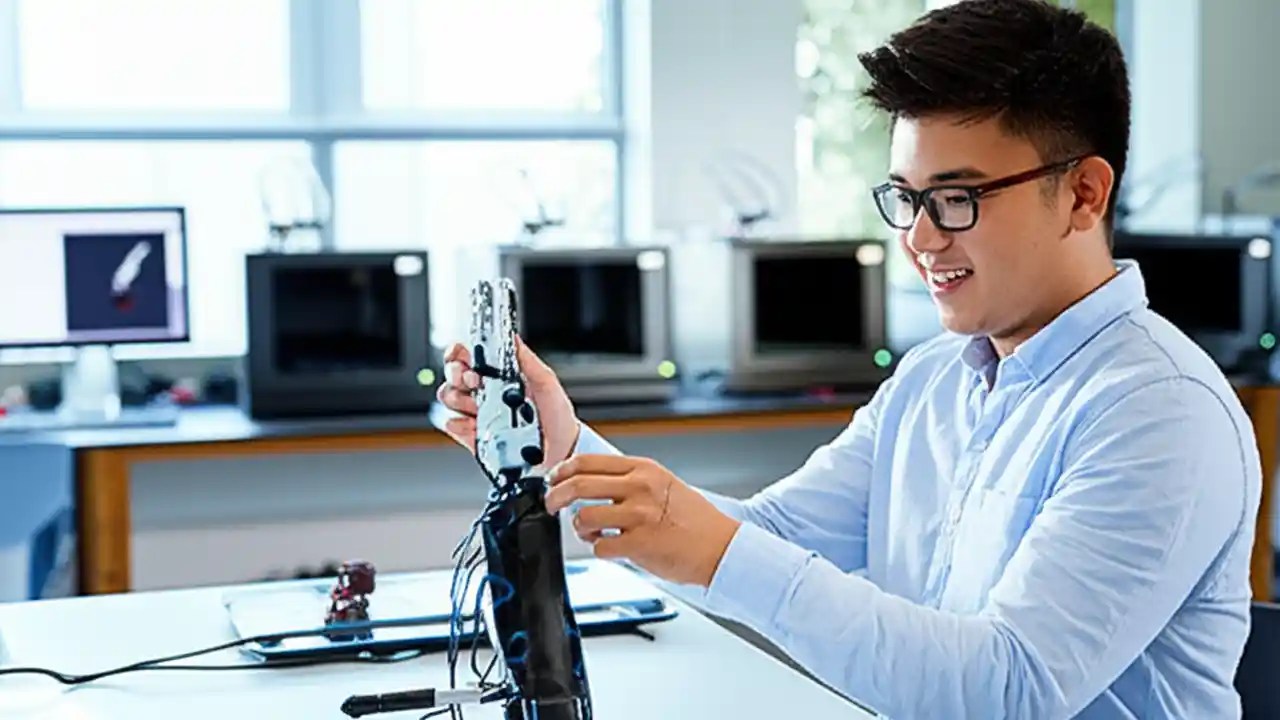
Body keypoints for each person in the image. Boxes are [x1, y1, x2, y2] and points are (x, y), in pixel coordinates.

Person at [436, 0, 1262, 717]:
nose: (920, 238)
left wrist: (724, 552)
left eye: (958, 199)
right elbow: (766, 536)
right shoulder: (938, 376)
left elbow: (1007, 692)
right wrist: (567, 450)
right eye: (905, 198)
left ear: (1084, 192)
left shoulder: (1162, 410)